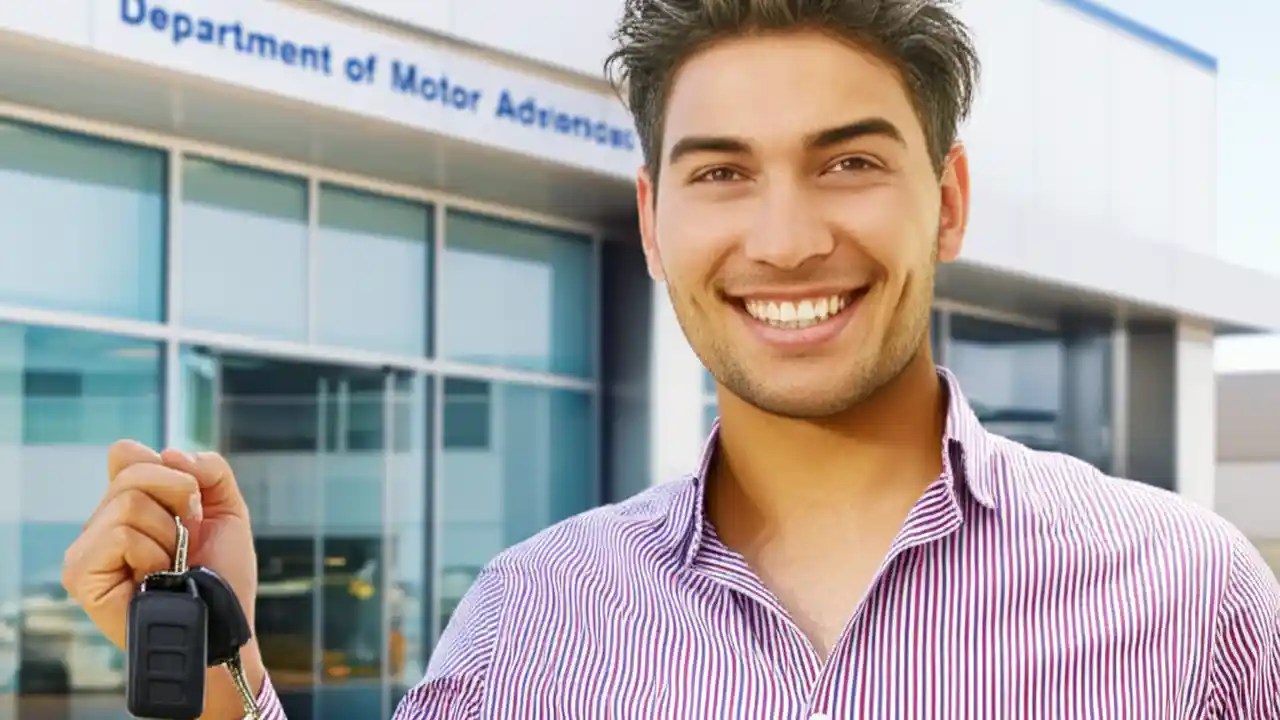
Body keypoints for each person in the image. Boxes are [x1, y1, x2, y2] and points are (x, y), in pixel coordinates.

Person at [62, 0, 1280, 717]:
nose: (788, 239)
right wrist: (224, 666)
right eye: (720, 173)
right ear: (652, 220)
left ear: (947, 201)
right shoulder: (528, 620)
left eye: (849, 162)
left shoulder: (1189, 596)